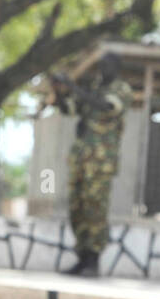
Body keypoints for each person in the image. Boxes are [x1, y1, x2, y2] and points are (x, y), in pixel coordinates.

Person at [51, 52, 133, 277]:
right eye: (101, 64)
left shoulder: (121, 90)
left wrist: (74, 87)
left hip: (100, 162)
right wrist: (59, 91)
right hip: (81, 159)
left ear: (117, 67)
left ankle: (93, 260)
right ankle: (82, 258)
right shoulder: (93, 88)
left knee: (94, 209)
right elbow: (69, 109)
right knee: (77, 208)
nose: (102, 68)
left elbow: (107, 107)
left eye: (107, 64)